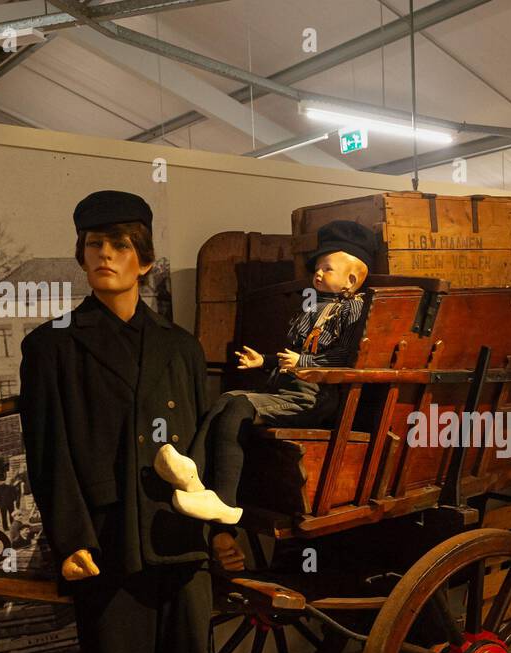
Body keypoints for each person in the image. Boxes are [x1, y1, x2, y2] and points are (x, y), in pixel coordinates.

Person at [18, 190, 284, 653]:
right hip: (106, 543)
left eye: (119, 245)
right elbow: (49, 453)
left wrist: (220, 520)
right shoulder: (51, 347)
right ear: (80, 254)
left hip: (177, 539)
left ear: (145, 259)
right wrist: (71, 536)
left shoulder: (179, 347)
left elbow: (201, 440)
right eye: (93, 245)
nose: (105, 255)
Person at [153, 220, 374, 569]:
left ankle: (224, 503)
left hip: (314, 396)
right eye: (316, 268)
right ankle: (193, 477)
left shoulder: (354, 311)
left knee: (239, 405)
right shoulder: (314, 308)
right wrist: (265, 360)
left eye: (326, 268)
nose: (317, 274)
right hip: (289, 386)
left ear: (350, 280)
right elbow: (291, 353)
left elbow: (346, 358)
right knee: (226, 400)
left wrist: (301, 361)